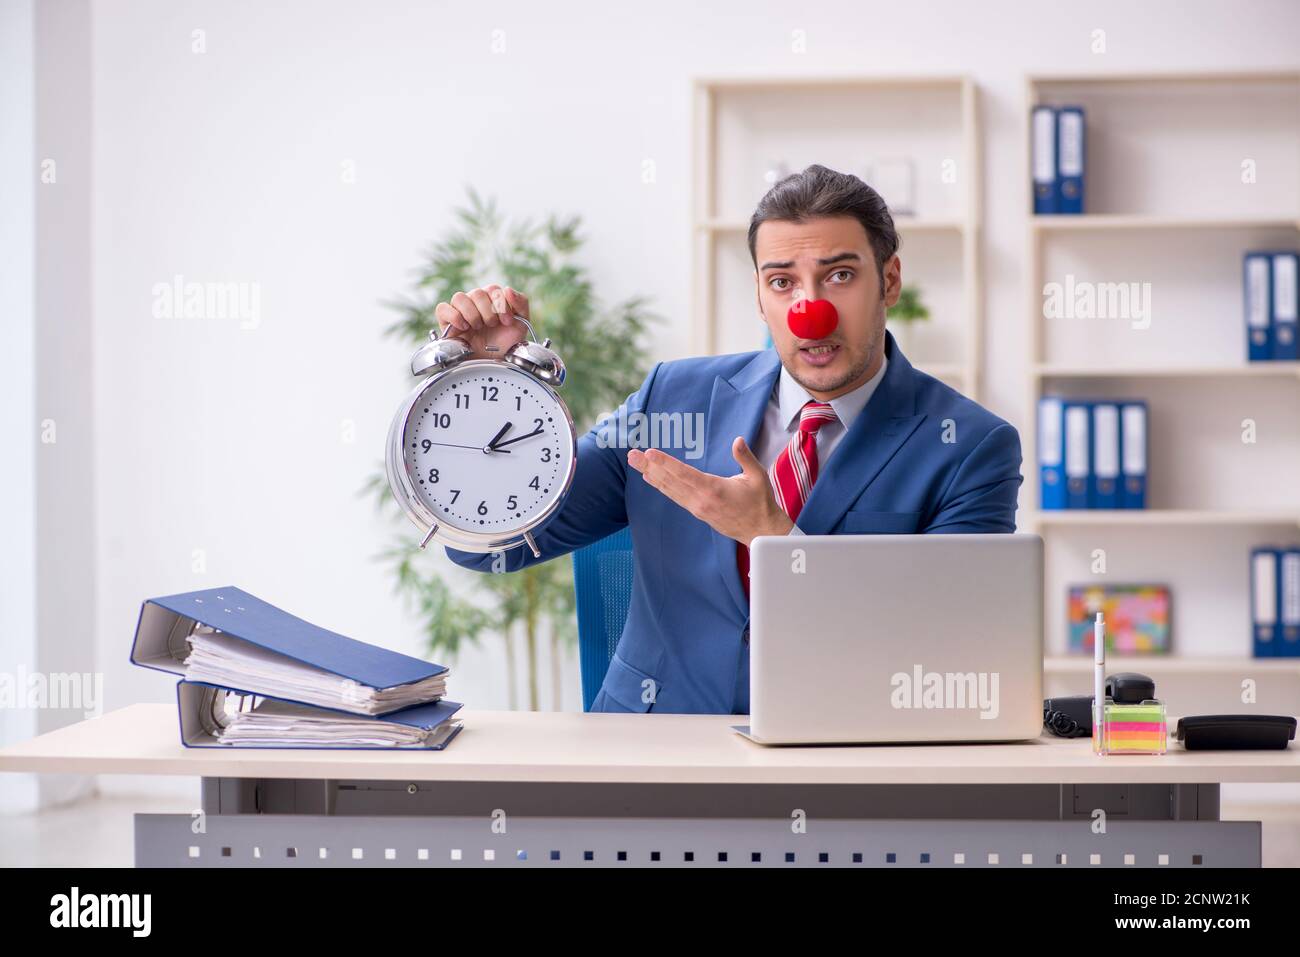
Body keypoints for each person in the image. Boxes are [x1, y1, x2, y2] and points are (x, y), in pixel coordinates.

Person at [439, 164, 1022, 714]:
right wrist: (491, 386)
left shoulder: (970, 448)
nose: (808, 310)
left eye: (839, 275)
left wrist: (777, 540)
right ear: (759, 296)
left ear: (889, 280)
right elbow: (494, 545)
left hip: (839, 766)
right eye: (783, 281)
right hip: (650, 762)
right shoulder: (671, 398)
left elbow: (947, 659)